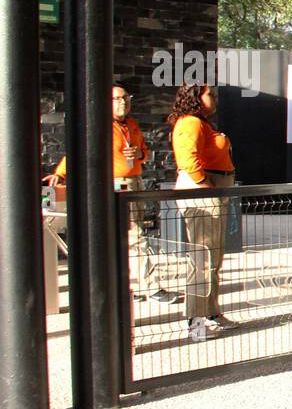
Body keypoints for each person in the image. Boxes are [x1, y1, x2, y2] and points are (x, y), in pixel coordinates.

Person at [43, 85, 179, 305]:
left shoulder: (132, 125)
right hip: (114, 185)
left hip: (134, 183)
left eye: (126, 97)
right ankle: (150, 286)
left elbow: (143, 151)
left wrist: (139, 153)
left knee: (129, 237)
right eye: (117, 98)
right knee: (134, 236)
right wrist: (60, 173)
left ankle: (127, 287)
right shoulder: (99, 125)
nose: (123, 102)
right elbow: (78, 151)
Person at [170, 83, 237, 339]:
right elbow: (187, 158)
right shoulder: (190, 123)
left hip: (211, 187)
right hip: (203, 189)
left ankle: (210, 312)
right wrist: (205, 186)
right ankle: (196, 320)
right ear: (195, 97)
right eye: (210, 94)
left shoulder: (201, 124)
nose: (215, 98)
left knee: (212, 256)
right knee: (203, 257)